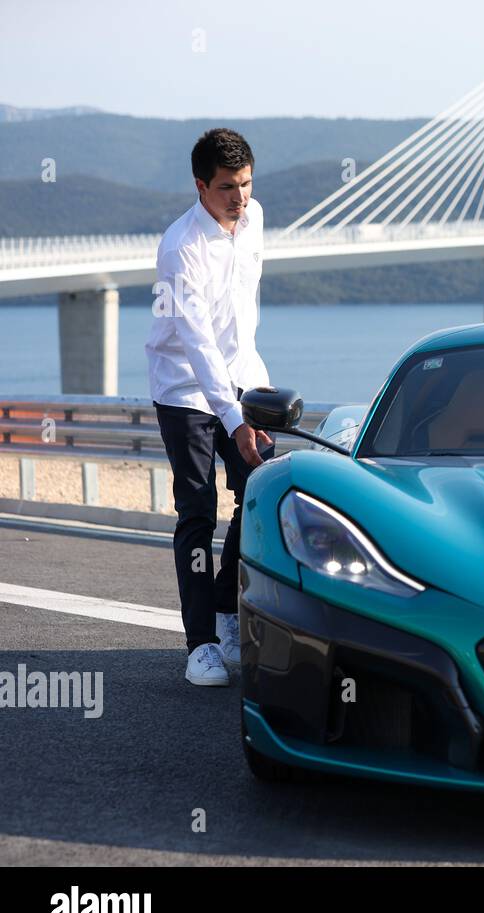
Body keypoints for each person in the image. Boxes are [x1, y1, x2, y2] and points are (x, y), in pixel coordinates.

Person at [145, 128, 274, 687]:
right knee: (197, 511)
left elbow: (242, 315)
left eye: (245, 184)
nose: (239, 198)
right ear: (200, 186)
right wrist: (234, 417)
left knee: (260, 492)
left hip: (243, 383)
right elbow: (197, 340)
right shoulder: (181, 247)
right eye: (226, 188)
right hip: (184, 391)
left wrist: (253, 394)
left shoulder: (255, 220)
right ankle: (200, 645)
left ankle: (226, 608)